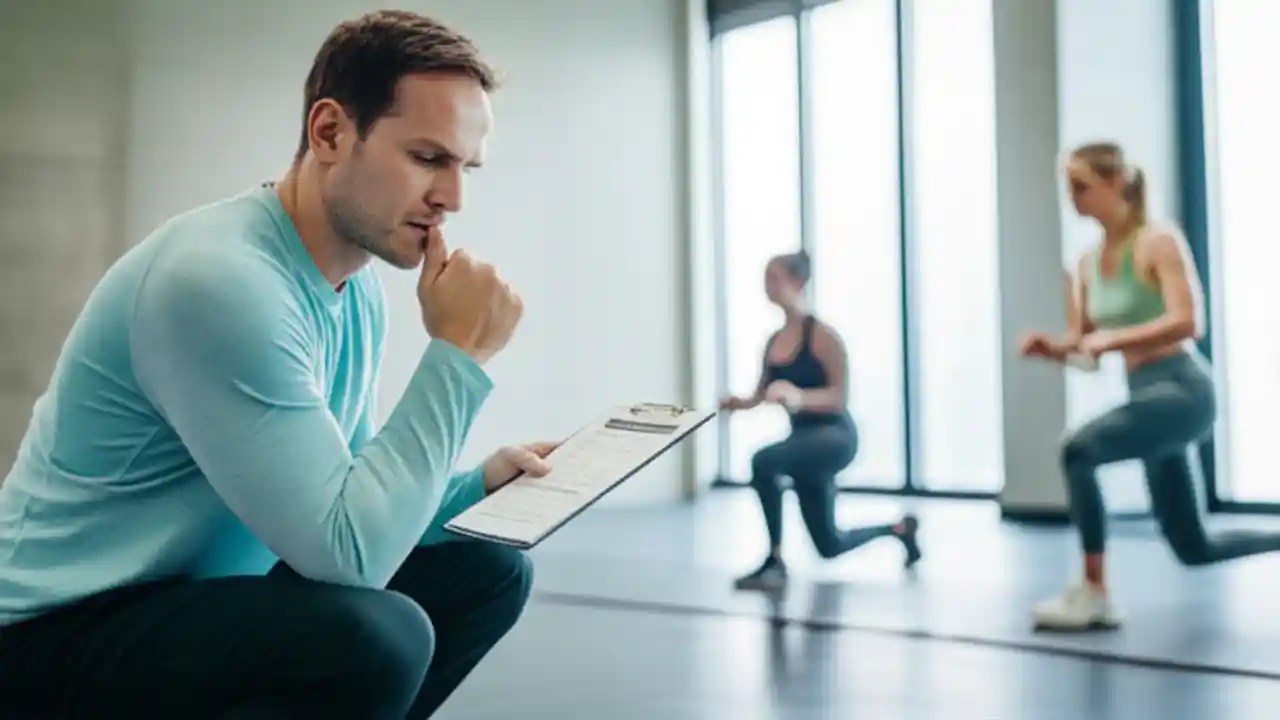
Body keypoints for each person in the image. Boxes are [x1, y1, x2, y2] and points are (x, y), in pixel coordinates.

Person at [0, 11, 550, 718]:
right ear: (330, 133)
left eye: (464, 168)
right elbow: (349, 557)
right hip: (47, 639)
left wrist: (477, 487)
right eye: (426, 158)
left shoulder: (354, 289)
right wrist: (461, 354)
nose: (453, 198)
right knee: (374, 635)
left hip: (181, 609)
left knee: (488, 567)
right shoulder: (219, 282)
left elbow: (347, 498)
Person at [1019, 141, 1280, 632]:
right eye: (1068, 188)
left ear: (1116, 183)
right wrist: (1051, 348)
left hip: (1183, 392)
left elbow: (1188, 321)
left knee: (1079, 449)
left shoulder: (1158, 241)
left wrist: (1114, 338)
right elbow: (1084, 347)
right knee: (1194, 548)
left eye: (1081, 186)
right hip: (1146, 396)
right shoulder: (1084, 264)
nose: (1072, 197)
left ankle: (1094, 591)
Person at [721, 251, 921, 591]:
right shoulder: (773, 342)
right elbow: (760, 395)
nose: (768, 286)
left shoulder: (823, 336)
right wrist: (735, 404)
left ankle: (775, 560)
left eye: (774, 278)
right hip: (802, 444)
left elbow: (839, 397)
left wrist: (798, 397)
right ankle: (899, 529)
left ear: (798, 282)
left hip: (834, 437)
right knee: (829, 545)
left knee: (763, 462)